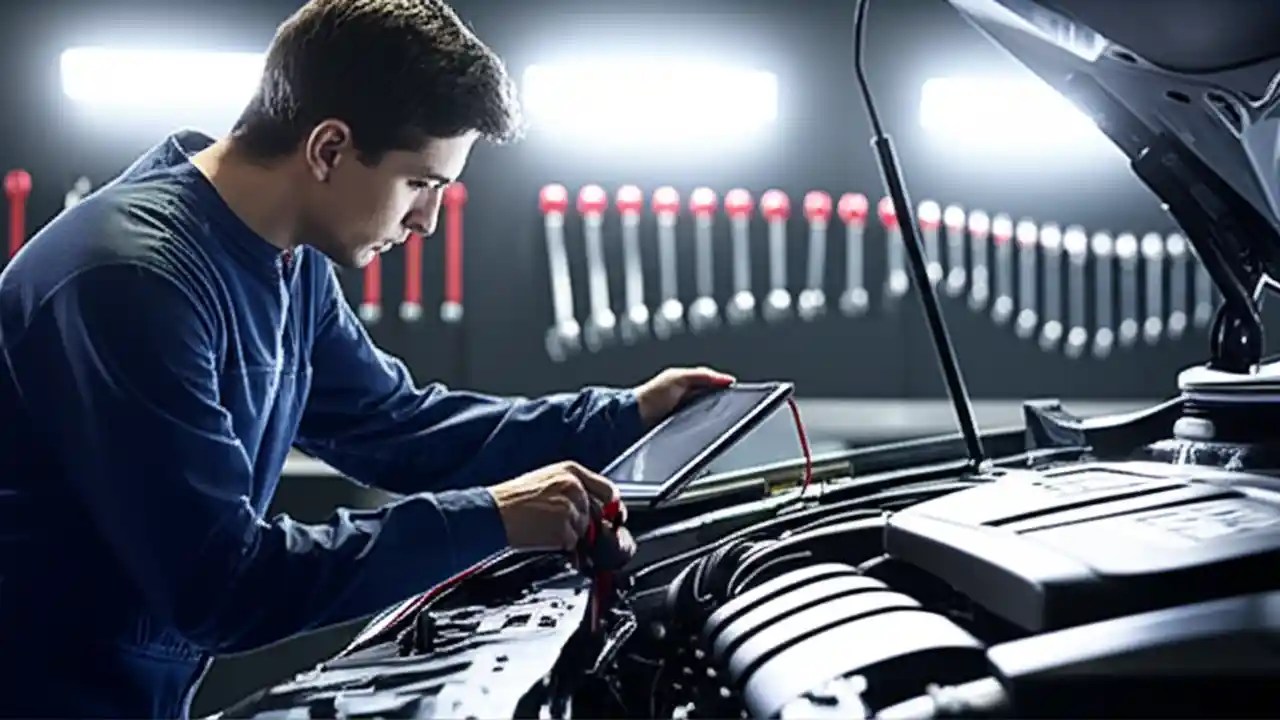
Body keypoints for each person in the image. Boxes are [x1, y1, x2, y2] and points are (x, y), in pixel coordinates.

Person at [0, 0, 735, 717]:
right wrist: (491, 520)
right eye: (421, 184)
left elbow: (396, 425)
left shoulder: (287, 260)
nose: (428, 221)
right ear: (327, 149)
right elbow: (220, 585)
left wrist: (626, 416)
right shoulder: (131, 279)